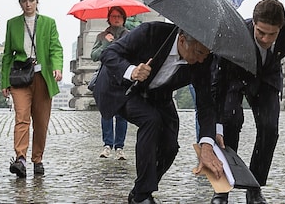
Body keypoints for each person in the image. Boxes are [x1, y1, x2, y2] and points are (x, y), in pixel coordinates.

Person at [210, 0, 285, 204]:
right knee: (230, 123)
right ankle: (221, 189)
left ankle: (254, 187)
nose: (265, 39)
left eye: (272, 34)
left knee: (269, 129)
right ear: (254, 23)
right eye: (260, 32)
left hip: (267, 81)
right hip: (235, 80)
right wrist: (216, 119)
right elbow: (218, 76)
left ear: (281, 27)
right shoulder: (237, 32)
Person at [94, 21, 224, 204]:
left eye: (206, 54)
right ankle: (142, 197)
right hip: (121, 88)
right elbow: (108, 53)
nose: (202, 59)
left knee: (170, 144)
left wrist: (207, 144)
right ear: (181, 40)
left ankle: (140, 190)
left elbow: (206, 104)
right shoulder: (150, 32)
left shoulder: (203, 59)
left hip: (157, 94)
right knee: (151, 120)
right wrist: (131, 71)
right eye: (199, 53)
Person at [0, 0, 64, 178]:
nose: (28, 4)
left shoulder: (48, 23)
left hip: (42, 77)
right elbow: (7, 55)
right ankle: (20, 158)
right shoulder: (12, 24)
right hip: (21, 77)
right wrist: (5, 82)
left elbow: (55, 48)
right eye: (24, 1)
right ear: (20, 3)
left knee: (41, 122)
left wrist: (57, 67)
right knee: (21, 118)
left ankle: (37, 159)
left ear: (37, 2)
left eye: (31, 0)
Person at [90, 5, 133, 160]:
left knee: (122, 114)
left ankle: (119, 146)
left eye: (119, 16)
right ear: (108, 18)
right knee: (106, 112)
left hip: (122, 77)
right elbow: (94, 55)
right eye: (113, 16)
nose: (116, 19)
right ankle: (107, 145)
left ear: (123, 19)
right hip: (106, 78)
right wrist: (107, 44)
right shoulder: (102, 36)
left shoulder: (130, 35)